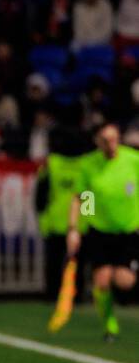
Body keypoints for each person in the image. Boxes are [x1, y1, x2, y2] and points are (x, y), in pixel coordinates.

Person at [67, 123, 139, 341]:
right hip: (100, 231)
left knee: (124, 281)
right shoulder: (89, 165)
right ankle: (110, 326)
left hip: (128, 231)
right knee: (102, 281)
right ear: (97, 142)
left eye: (114, 138)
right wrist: (76, 229)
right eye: (106, 140)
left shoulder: (133, 160)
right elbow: (83, 197)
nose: (111, 144)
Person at [35, 128, 88, 300]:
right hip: (79, 221)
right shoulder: (85, 164)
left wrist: (42, 214)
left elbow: (40, 194)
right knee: (75, 262)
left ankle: (53, 293)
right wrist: (89, 217)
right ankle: (75, 294)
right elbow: (89, 194)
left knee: (56, 261)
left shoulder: (52, 163)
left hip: (56, 220)